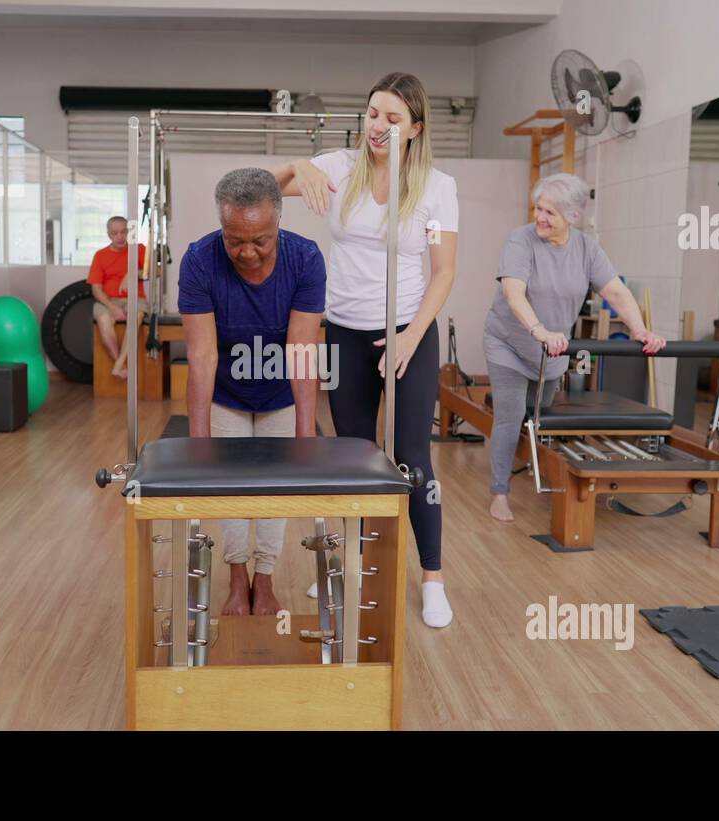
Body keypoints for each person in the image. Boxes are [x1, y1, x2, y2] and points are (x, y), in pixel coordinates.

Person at [274, 72, 458, 628]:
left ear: (416, 128)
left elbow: (444, 271)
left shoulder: (435, 187)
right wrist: (298, 166)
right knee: (352, 459)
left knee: (411, 459)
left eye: (393, 118)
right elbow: (256, 186)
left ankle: (432, 579)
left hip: (408, 332)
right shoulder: (338, 168)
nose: (379, 126)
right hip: (347, 333)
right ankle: (346, 569)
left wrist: (409, 336)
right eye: (374, 113)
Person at [180, 168, 325, 616]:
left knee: (275, 488)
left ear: (277, 223)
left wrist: (305, 438)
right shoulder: (200, 259)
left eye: (259, 240)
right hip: (226, 391)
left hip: (280, 390)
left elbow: (302, 349)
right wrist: (199, 445)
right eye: (234, 240)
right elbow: (202, 356)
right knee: (229, 485)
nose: (246, 252)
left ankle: (265, 578)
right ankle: (237, 574)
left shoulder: (305, 259)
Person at [483, 173, 666, 523]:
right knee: (509, 416)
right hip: (508, 341)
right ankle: (499, 492)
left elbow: (614, 291)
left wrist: (640, 329)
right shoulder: (520, 240)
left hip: (551, 353)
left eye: (550, 212)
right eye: (538, 208)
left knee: (540, 415)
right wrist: (538, 329)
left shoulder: (587, 248)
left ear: (572, 217)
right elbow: (513, 292)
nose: (540, 217)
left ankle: (536, 467)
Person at [88, 216, 147, 379]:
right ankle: (120, 364)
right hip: (108, 300)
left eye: (123, 232)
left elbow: (156, 271)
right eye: (115, 233)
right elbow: (96, 289)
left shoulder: (139, 250)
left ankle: (119, 365)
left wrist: (133, 273)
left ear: (128, 232)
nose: (120, 236)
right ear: (109, 235)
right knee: (104, 321)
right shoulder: (100, 255)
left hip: (135, 299)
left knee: (136, 316)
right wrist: (112, 306)